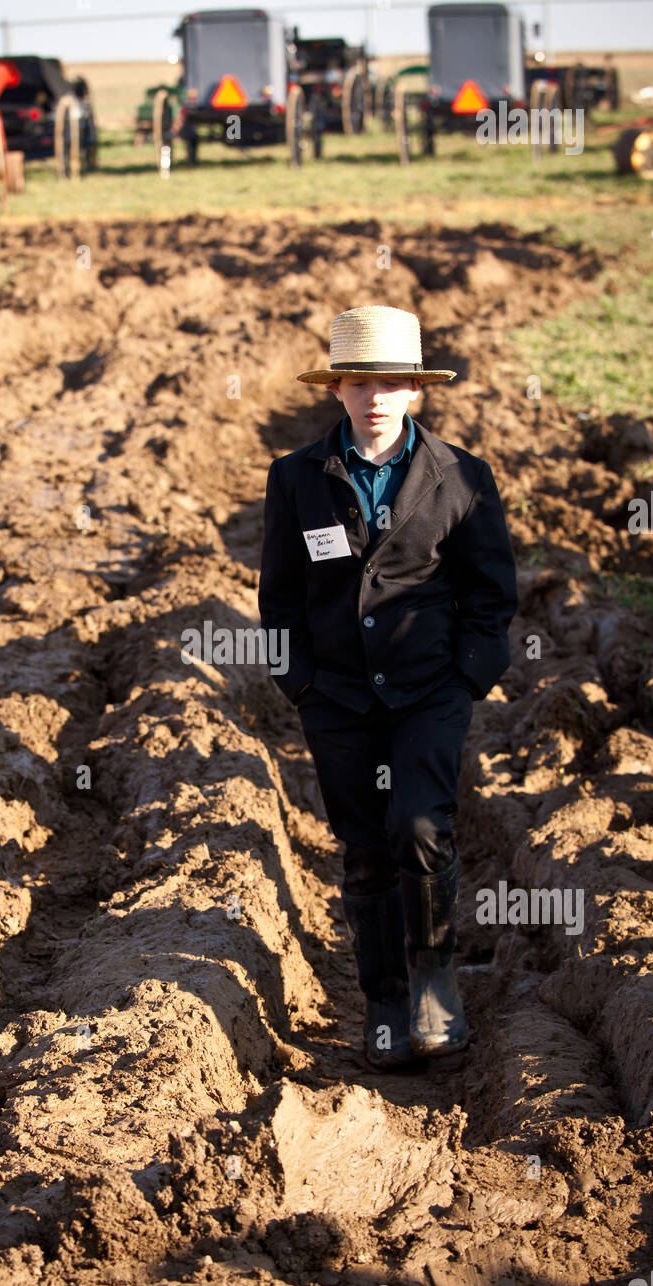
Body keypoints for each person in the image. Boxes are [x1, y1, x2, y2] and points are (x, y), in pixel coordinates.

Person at [258, 304, 518, 1067]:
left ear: (416, 393)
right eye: (360, 380)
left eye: (392, 382)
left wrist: (469, 677)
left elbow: (491, 593)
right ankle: (381, 1001)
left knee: (420, 827)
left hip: (429, 689)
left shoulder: (461, 477)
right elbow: (279, 596)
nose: (375, 395)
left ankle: (434, 977)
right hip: (337, 698)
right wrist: (299, 681)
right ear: (336, 388)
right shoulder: (297, 478)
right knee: (365, 849)